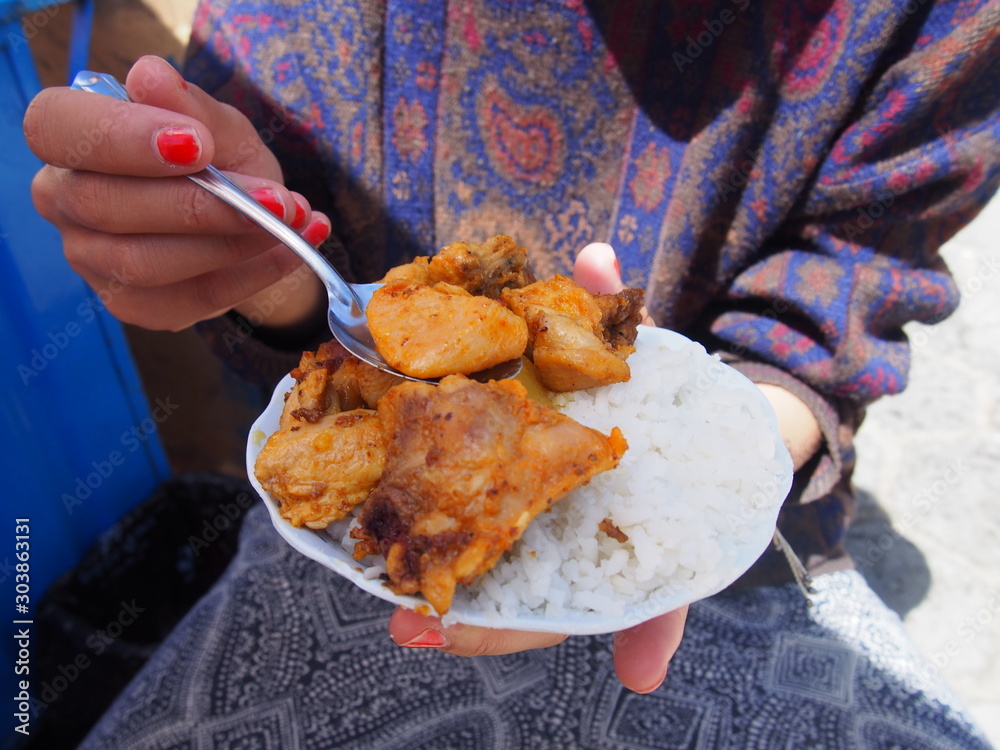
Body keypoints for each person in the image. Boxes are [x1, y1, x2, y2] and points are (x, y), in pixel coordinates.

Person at [23, 0, 998, 747]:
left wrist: (704, 484)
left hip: (746, 547)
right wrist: (261, 269)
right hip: (347, 551)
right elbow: (285, 249)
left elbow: (842, 298)